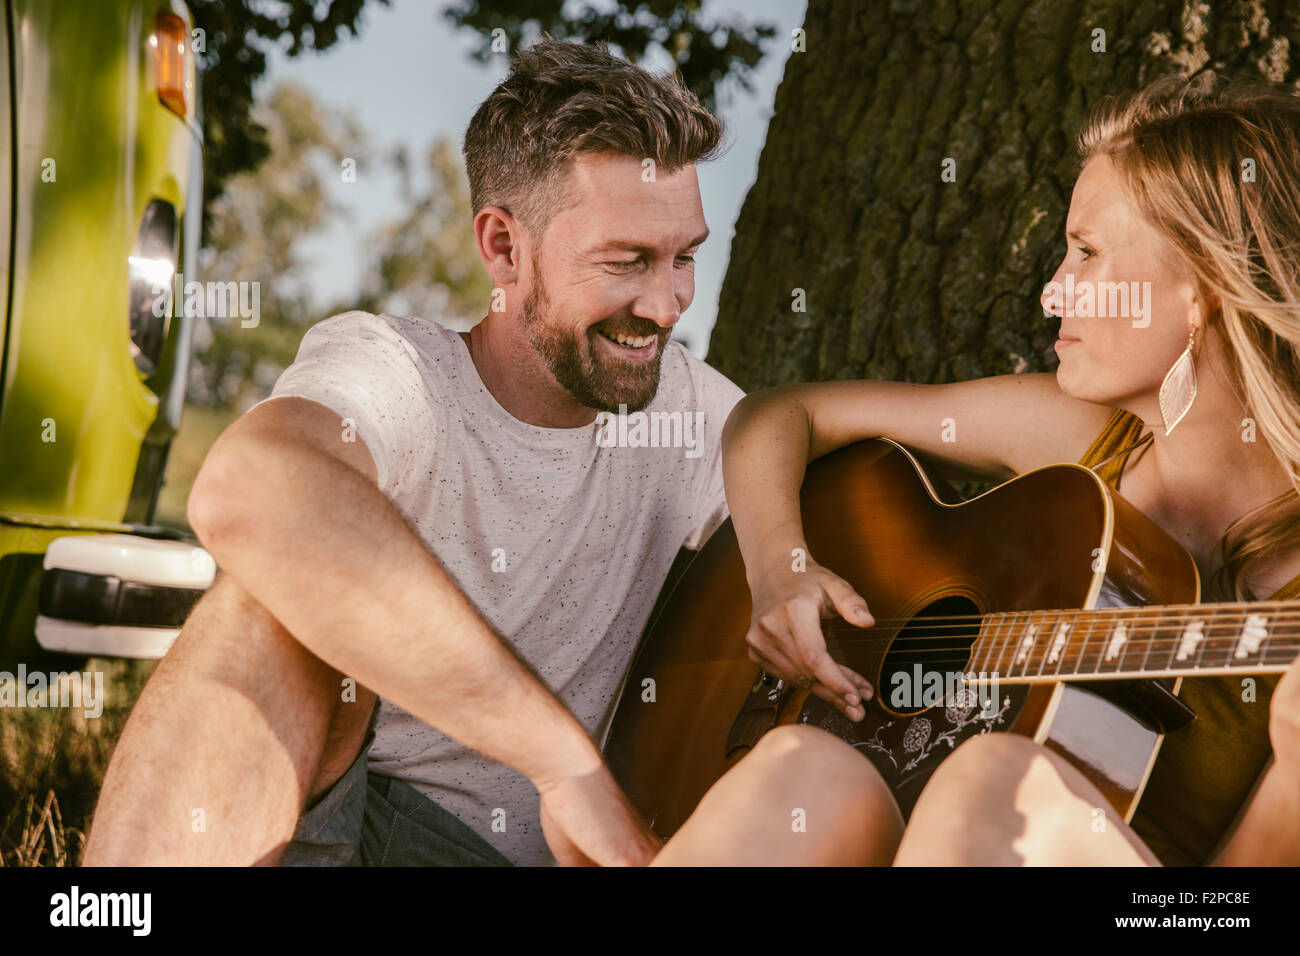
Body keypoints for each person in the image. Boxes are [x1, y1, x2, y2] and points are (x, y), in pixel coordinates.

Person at [85, 37, 745, 867]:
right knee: (267, 600)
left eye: (685, 257)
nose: (666, 302)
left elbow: (822, 452)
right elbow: (250, 489)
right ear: (504, 248)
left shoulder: (689, 410)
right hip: (322, 820)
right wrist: (563, 764)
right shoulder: (395, 370)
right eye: (626, 262)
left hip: (491, 855)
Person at [648, 72, 1300, 866]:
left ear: (1199, 294)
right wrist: (781, 571)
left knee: (999, 778)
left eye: (1086, 254)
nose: (1051, 291)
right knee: (805, 766)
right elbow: (781, 415)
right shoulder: (1083, 443)